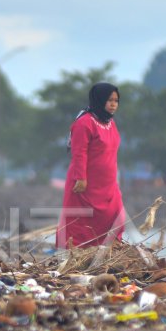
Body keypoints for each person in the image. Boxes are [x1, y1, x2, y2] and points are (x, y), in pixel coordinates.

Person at [57, 82, 127, 249]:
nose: (113, 104)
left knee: (117, 217)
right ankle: (76, 254)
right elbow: (79, 152)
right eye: (109, 100)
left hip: (108, 184)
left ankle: (107, 251)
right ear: (99, 99)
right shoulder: (84, 123)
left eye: (116, 100)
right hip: (84, 184)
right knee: (80, 224)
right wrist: (80, 178)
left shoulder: (110, 123)